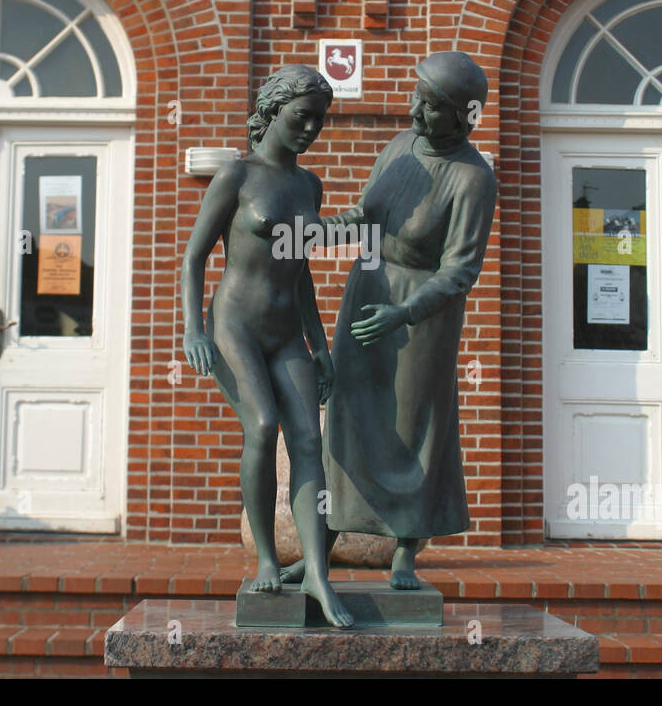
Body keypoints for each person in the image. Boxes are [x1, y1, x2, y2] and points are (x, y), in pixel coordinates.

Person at [282, 51, 498, 590]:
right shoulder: (399, 147)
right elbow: (366, 216)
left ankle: (405, 550)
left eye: (430, 106)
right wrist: (313, 232)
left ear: (462, 115)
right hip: (367, 290)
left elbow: (462, 269)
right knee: (350, 420)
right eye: (416, 100)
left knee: (411, 427)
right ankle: (320, 547)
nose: (415, 113)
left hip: (421, 316)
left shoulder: (473, 178)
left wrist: (406, 311)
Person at [180, 64, 352, 627]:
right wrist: (193, 330)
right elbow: (194, 257)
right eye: (302, 117)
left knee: (309, 439)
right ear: (273, 112)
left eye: (319, 122)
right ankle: (265, 558)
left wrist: (320, 343)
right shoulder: (236, 175)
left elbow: (299, 272)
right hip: (235, 326)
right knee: (261, 425)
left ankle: (319, 576)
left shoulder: (309, 185)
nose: (310, 130)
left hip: (287, 332)